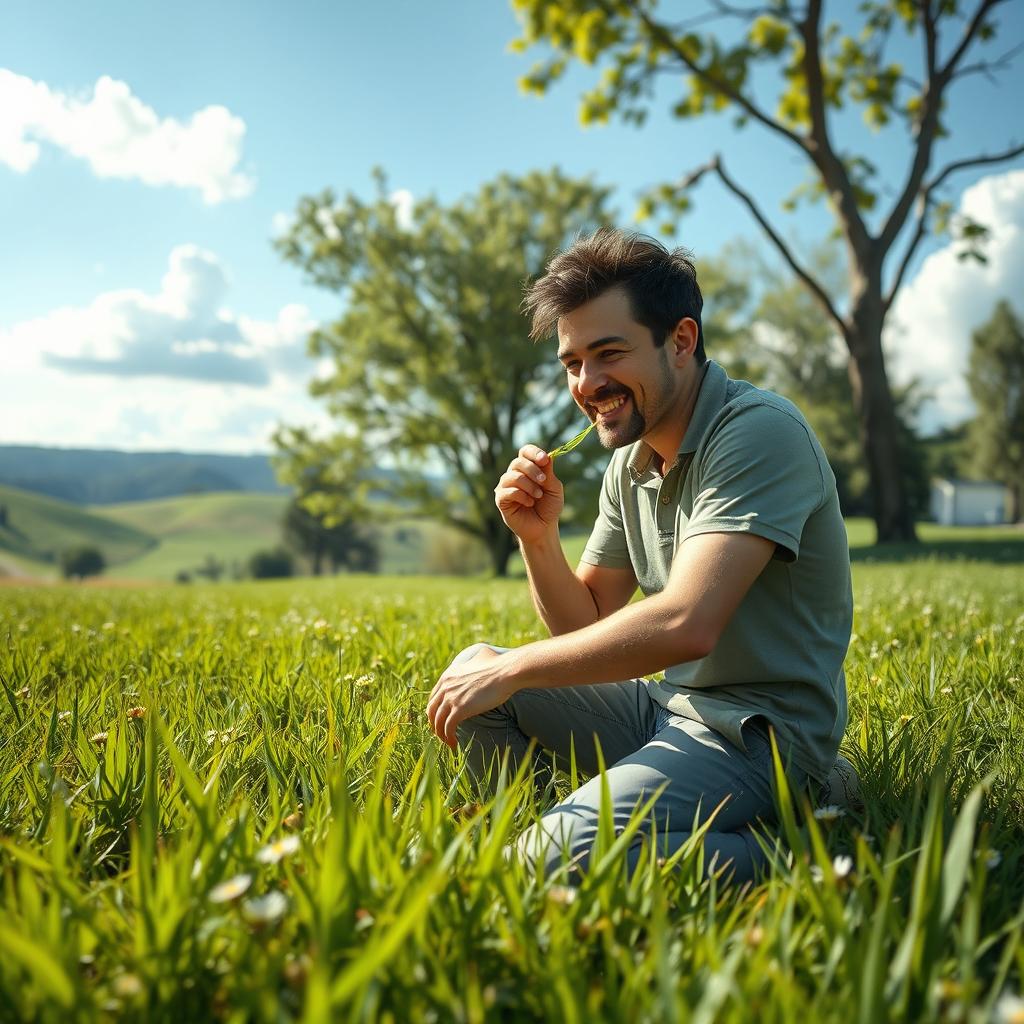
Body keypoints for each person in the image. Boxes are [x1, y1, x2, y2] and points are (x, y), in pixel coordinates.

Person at [426, 228, 855, 883]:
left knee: (549, 853)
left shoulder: (758, 433)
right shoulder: (631, 463)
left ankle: (798, 842)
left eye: (608, 353)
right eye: (572, 363)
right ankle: (561, 829)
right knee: (474, 676)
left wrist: (517, 669)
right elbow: (586, 625)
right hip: (669, 710)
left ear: (680, 341)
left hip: (758, 738)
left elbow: (687, 622)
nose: (588, 382)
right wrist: (537, 539)